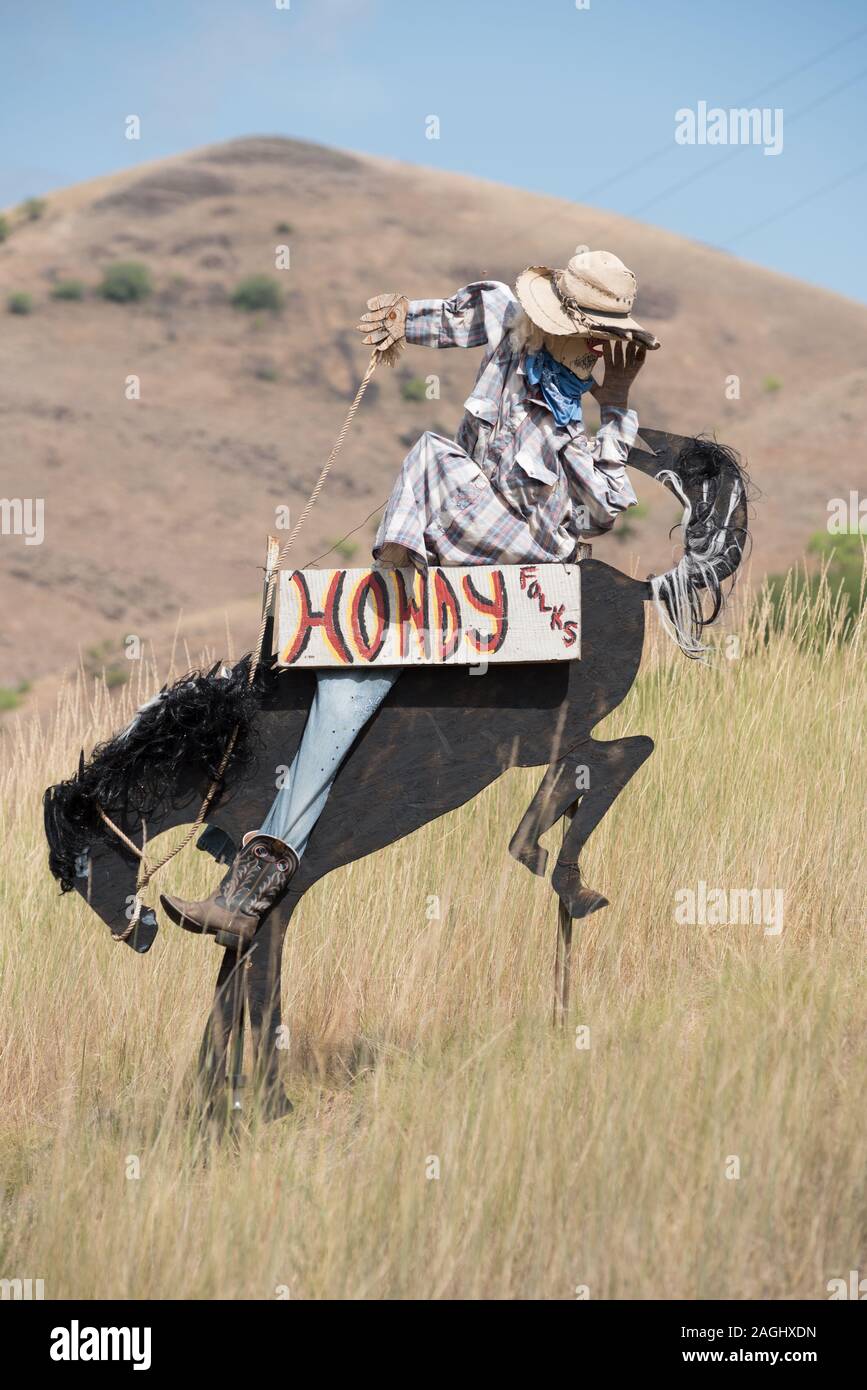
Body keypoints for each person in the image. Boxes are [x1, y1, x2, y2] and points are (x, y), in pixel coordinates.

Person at [160, 247, 658, 943]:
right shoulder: (513, 323)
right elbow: (464, 313)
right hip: (443, 566)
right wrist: (402, 320)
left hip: (512, 565)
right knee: (339, 699)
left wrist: (616, 404)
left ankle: (396, 564)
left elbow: (603, 511)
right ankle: (244, 896)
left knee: (430, 453)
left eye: (593, 334)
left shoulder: (575, 419)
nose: (581, 341)